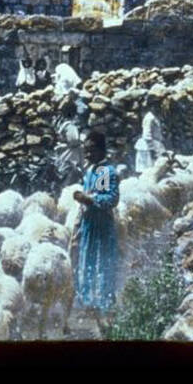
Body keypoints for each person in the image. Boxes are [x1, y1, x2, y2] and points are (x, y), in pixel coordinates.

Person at [72, 130, 120, 330]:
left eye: (91, 150)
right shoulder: (92, 169)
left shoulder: (104, 171)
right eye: (85, 151)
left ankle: (104, 309)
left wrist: (88, 199)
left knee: (101, 262)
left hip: (101, 225)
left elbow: (110, 198)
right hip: (89, 223)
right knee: (87, 261)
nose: (88, 155)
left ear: (101, 150)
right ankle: (90, 305)